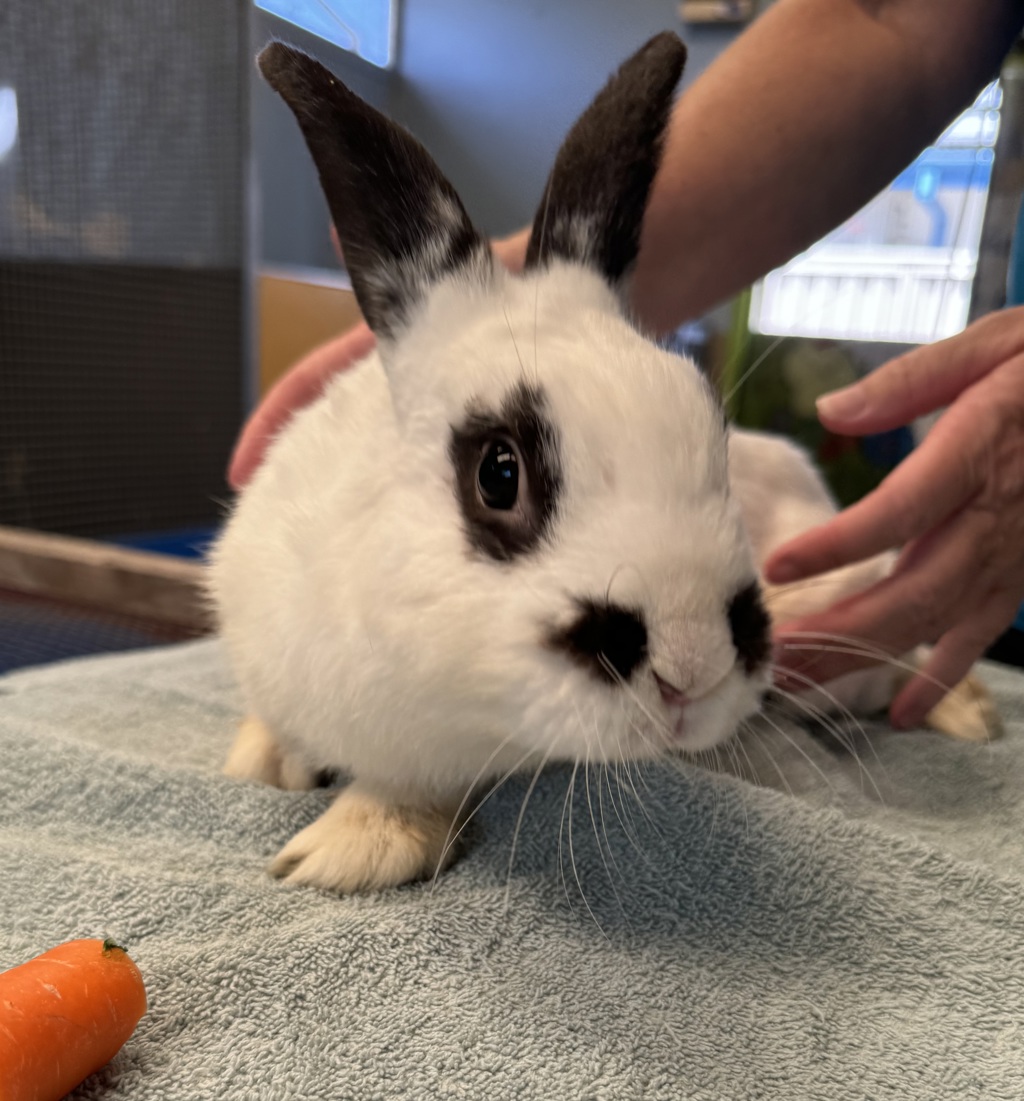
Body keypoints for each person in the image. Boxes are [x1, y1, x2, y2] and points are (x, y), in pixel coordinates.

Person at [230, 0, 1024, 727]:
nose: (689, 672)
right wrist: (505, 312)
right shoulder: (305, 568)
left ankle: (914, 671)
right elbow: (892, 20)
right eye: (500, 480)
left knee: (844, 648)